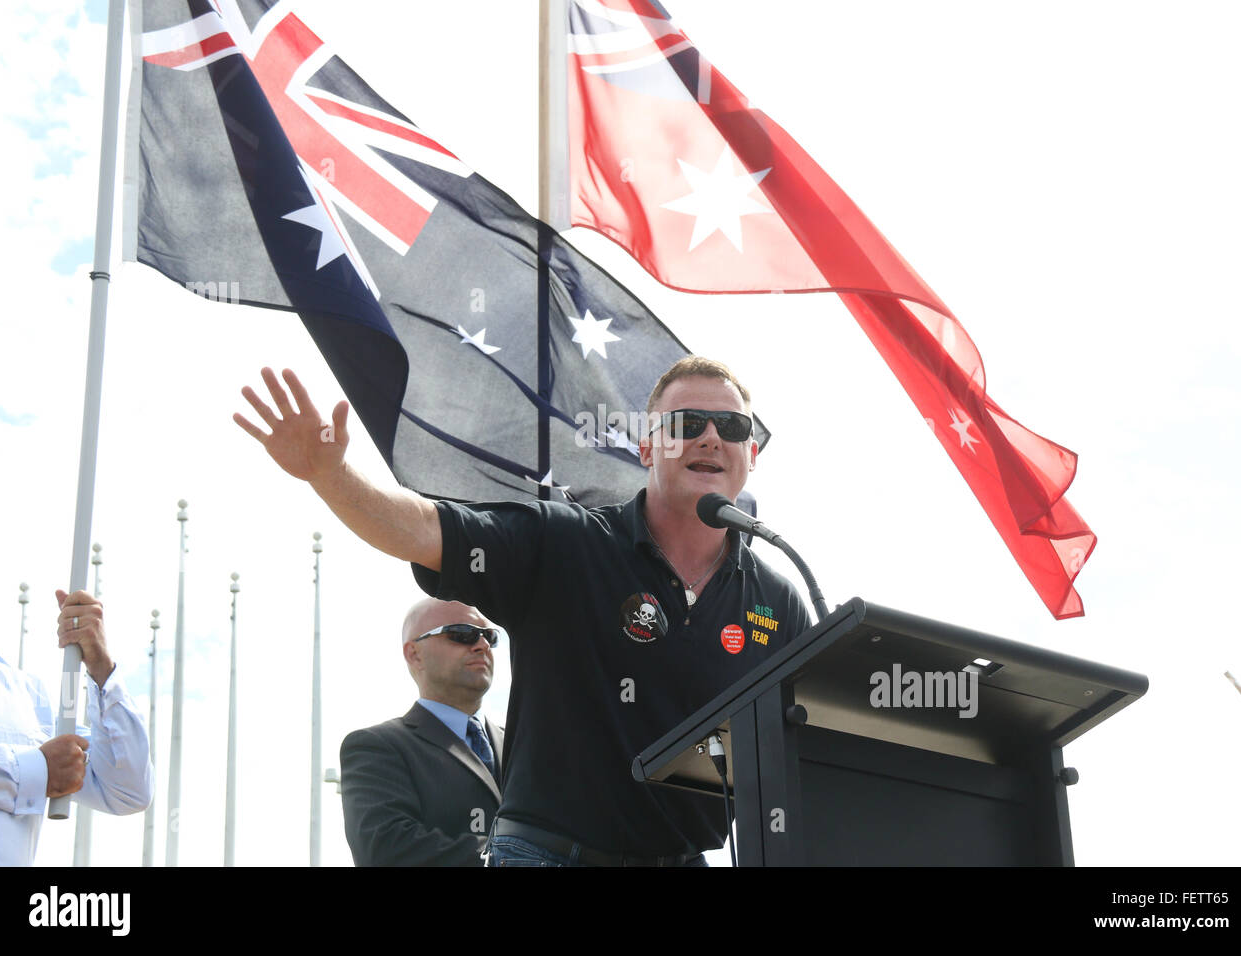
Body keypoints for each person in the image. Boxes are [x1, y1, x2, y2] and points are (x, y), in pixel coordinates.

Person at [235, 356, 811, 866]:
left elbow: (812, 748)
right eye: (686, 425)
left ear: (751, 454)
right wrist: (330, 475)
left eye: (731, 427)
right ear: (645, 448)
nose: (710, 438)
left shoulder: (777, 599)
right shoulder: (566, 543)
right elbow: (423, 529)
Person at [0, 506, 154, 866]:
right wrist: (34, 770)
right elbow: (43, 768)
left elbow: (127, 790)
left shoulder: (23, 693)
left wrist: (100, 665)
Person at [339, 598, 504, 866]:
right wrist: (504, 860)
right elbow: (386, 848)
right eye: (462, 634)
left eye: (489, 636)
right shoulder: (377, 747)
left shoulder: (523, 747)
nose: (482, 645)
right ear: (414, 654)